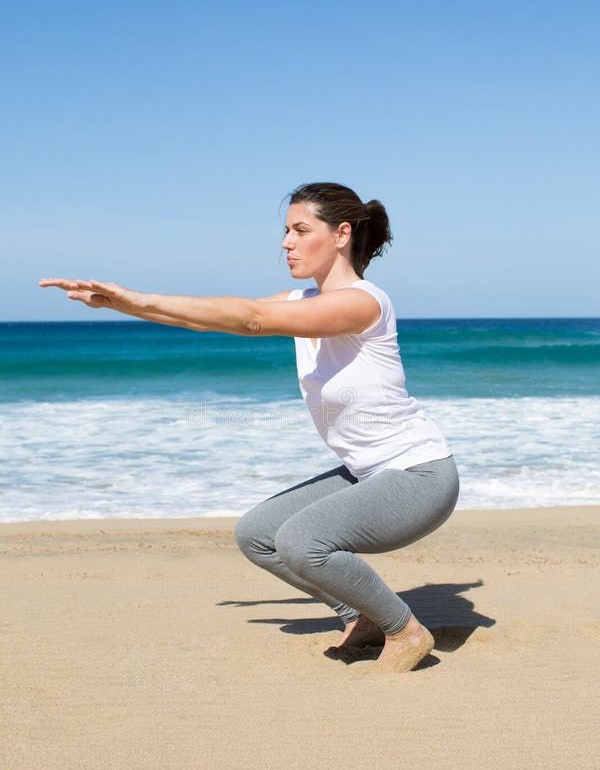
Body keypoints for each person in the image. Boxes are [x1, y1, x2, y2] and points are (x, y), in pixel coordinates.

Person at [39, 182, 459, 672]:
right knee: (258, 534)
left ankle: (404, 630)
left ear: (342, 234)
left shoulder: (363, 302)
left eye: (301, 230)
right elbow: (213, 321)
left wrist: (139, 296)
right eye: (286, 231)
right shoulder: (303, 298)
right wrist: (120, 304)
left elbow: (254, 319)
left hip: (418, 476)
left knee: (302, 542)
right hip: (367, 470)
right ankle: (360, 616)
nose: (286, 242)